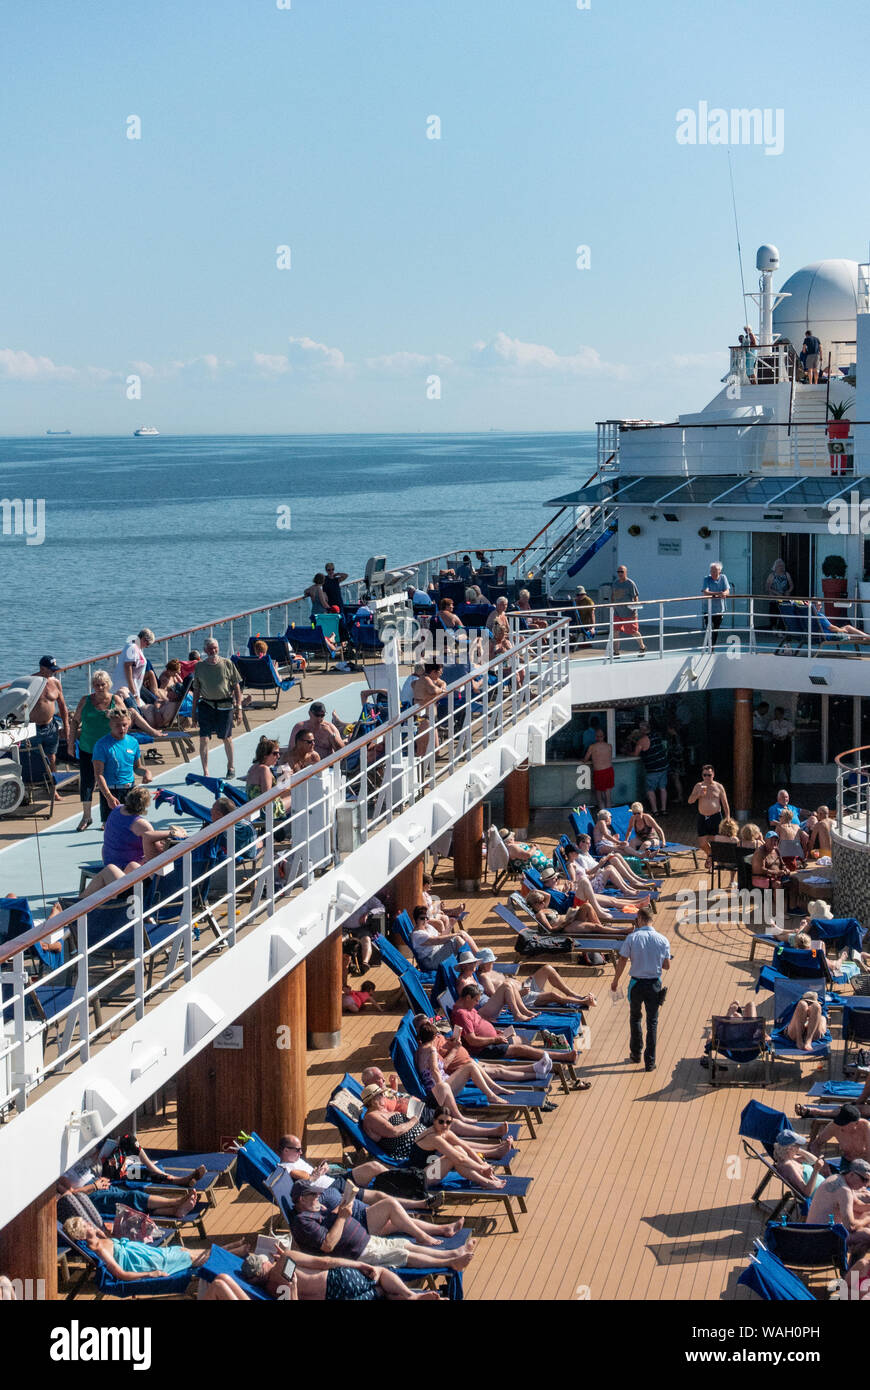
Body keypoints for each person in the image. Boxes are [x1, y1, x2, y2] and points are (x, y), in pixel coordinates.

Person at [290, 1181, 480, 1262]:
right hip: (360, 1233)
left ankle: (447, 1239)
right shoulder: (303, 1220)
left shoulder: (315, 1206)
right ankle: (439, 1249)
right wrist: (341, 1214)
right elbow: (327, 1245)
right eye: (312, 1194)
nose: (317, 1195)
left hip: (362, 1229)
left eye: (316, 1192)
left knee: (402, 1229)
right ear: (301, 1199)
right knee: (392, 1209)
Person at [359, 1067, 512, 1140]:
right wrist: (411, 1118)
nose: (383, 1080)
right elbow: (388, 1112)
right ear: (368, 1084)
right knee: (450, 1123)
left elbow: (394, 1100)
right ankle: (490, 1132)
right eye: (379, 1079)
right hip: (415, 1114)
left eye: (382, 1077)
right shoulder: (375, 1102)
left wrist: (393, 1087)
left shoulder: (381, 1092)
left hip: (421, 1104)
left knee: (443, 1086)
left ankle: (459, 1115)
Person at [451, 982, 576, 1070]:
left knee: (524, 1041)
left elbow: (478, 1024)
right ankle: (563, 1056)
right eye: (476, 1000)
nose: (477, 1003)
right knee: (521, 1049)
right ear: (468, 997)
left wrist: (495, 1031)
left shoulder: (467, 1008)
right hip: (485, 1048)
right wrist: (495, 1039)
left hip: (495, 1039)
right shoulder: (461, 1014)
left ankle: (543, 1060)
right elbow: (472, 1041)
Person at [238, 1248, 441, 1301]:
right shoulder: (284, 1260)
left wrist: (295, 1287)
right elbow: (324, 1262)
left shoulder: (271, 1291)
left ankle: (403, 1297)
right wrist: (360, 1264)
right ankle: (410, 1295)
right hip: (340, 1280)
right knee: (381, 1273)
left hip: (334, 1297)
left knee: (380, 1294)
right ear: (265, 1262)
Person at [610, 907, 672, 1071]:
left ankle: (636, 1054)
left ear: (640, 919)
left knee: (635, 1018)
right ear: (651, 919)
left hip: (636, 984)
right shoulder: (663, 940)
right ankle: (650, 1062)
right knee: (652, 1022)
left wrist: (615, 981)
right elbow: (666, 966)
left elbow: (623, 960)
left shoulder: (632, 938)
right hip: (654, 985)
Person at [61, 1217, 206, 1280]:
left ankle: (225, 1252)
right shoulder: (99, 1249)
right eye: (86, 1226)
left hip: (146, 1254)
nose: (89, 1224)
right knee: (189, 1257)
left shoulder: (99, 1239)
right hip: (144, 1263)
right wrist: (150, 1275)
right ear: (81, 1236)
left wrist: (104, 1233)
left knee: (183, 1250)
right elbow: (121, 1274)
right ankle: (225, 1254)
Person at [69, 669, 125, 831]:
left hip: (109, 748)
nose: (100, 688)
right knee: (87, 782)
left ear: (109, 685)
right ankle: (86, 817)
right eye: (96, 685)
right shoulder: (85, 700)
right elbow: (74, 722)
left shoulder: (115, 699)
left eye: (103, 684)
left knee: (106, 783)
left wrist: (113, 714)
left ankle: (107, 819)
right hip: (87, 747)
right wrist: (72, 743)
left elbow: (127, 718)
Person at [476, 946, 596, 1012]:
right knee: (552, 995)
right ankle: (583, 1002)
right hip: (522, 998)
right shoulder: (484, 977)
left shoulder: (490, 970)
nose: (493, 963)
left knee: (547, 969)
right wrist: (519, 993)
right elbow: (495, 998)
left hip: (524, 987)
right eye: (490, 961)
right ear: (483, 963)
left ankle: (575, 995)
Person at [191, 638, 242, 778]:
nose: (213, 651)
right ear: (205, 650)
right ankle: (205, 772)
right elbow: (196, 690)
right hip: (206, 705)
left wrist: (239, 709)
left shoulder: (227, 663)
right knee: (204, 739)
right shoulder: (200, 666)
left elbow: (236, 686)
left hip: (225, 706)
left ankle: (231, 767)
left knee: (227, 738)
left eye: (215, 648)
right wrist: (194, 712)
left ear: (218, 648)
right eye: (210, 649)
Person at [102, 785, 185, 871]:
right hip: (126, 866)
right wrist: (173, 834)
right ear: (145, 805)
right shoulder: (142, 824)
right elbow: (158, 849)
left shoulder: (116, 809)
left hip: (108, 860)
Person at [91, 708, 152, 824]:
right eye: (118, 725)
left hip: (130, 791)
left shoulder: (133, 742)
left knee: (133, 825)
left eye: (124, 725)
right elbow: (98, 774)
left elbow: (137, 767)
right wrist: (108, 796)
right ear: (110, 724)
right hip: (111, 792)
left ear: (129, 723)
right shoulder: (101, 745)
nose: (122, 728)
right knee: (111, 828)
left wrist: (146, 772)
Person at [30, 656, 70, 772]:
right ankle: (38, 783)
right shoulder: (30, 682)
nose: (54, 672)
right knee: (33, 758)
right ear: (42, 668)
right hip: (33, 727)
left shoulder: (56, 683)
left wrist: (66, 725)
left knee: (52, 757)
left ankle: (53, 786)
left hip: (51, 726)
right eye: (51, 669)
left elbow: (62, 705)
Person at [410, 904, 479, 969]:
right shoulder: (417, 935)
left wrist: (450, 925)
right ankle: (472, 965)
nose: (425, 920)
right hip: (430, 960)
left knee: (461, 933)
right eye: (422, 918)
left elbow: (442, 936)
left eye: (427, 918)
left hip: (436, 952)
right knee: (457, 939)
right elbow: (438, 940)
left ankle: (477, 956)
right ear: (416, 919)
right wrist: (455, 934)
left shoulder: (427, 927)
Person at [688, 764, 730, 866]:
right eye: (704, 775)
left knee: (715, 841)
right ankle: (710, 855)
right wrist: (699, 794)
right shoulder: (698, 786)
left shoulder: (719, 787)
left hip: (715, 816)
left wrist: (728, 817)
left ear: (713, 775)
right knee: (702, 843)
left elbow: (725, 803)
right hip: (703, 817)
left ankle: (712, 860)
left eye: (709, 775)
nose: (707, 777)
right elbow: (690, 801)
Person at [772, 1129, 831, 1199]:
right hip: (823, 1197)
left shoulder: (791, 1158)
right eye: (798, 1145)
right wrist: (816, 1170)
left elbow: (814, 1161)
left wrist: (799, 1150)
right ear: (790, 1148)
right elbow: (807, 1192)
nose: (800, 1147)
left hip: (827, 1189)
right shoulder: (789, 1166)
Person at [809, 1104, 870, 1168]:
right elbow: (815, 1145)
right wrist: (822, 1162)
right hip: (848, 1162)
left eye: (844, 1124)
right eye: (840, 1123)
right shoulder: (834, 1126)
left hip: (866, 1162)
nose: (841, 1126)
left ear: (855, 1123)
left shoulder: (866, 1127)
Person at [245, 735, 288, 824]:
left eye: (279, 753)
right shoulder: (265, 769)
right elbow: (268, 796)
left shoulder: (252, 768)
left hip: (254, 807)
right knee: (296, 796)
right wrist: (285, 779)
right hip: (265, 811)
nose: (278, 756)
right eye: (275, 753)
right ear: (265, 755)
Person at [633, 721, 670, 815]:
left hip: (653, 768)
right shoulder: (656, 735)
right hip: (663, 765)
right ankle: (664, 809)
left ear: (642, 730)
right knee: (662, 788)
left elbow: (635, 753)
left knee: (650, 790)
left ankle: (655, 811)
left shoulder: (642, 740)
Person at [111, 630, 155, 708]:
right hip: (126, 686)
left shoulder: (137, 647)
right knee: (136, 710)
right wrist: (132, 689)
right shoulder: (132, 647)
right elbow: (127, 666)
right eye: (147, 644)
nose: (147, 646)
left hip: (134, 686)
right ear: (144, 639)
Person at [610, 565, 646, 656]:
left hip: (629, 613)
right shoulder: (615, 583)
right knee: (616, 632)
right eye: (618, 572)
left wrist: (634, 609)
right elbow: (613, 595)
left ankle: (642, 647)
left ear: (626, 572)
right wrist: (612, 605)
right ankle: (616, 652)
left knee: (633, 632)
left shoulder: (630, 583)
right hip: (618, 612)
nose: (620, 574)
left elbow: (635, 597)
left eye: (622, 572)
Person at [412, 663, 447, 756]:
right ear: (433, 672)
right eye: (440, 672)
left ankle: (425, 768)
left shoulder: (429, 679)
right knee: (422, 749)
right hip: (424, 718)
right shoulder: (425, 679)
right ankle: (422, 769)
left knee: (435, 750)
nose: (441, 673)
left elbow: (443, 682)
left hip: (429, 717)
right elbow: (434, 691)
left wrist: (442, 686)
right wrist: (442, 691)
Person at [583, 726, 615, 808]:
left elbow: (585, 760)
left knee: (599, 794)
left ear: (595, 737)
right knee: (608, 795)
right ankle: (609, 815)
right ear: (604, 736)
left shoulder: (592, 747)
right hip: (609, 770)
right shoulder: (609, 746)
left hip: (599, 772)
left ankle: (602, 813)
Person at [700, 562, 730, 647]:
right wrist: (719, 594)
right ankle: (708, 646)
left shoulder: (723, 578)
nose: (713, 573)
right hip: (708, 609)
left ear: (719, 571)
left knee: (716, 629)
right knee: (709, 628)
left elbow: (727, 591)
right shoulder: (707, 579)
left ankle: (712, 647)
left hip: (719, 610)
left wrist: (723, 593)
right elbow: (705, 592)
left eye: (715, 571)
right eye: (711, 571)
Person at [767, 707, 794, 786]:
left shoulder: (787, 723)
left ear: (782, 714)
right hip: (776, 742)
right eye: (775, 713)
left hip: (785, 743)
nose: (776, 715)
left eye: (778, 713)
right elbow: (768, 732)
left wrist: (786, 735)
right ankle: (776, 781)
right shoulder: (772, 723)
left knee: (786, 763)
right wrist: (773, 736)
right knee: (776, 763)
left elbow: (794, 732)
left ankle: (789, 781)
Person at [752, 700, 771, 782]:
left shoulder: (764, 717)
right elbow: (750, 730)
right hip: (755, 740)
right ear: (761, 708)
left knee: (760, 760)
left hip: (761, 740)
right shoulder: (753, 716)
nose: (766, 712)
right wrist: (763, 732)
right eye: (765, 710)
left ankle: (758, 779)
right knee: (755, 760)